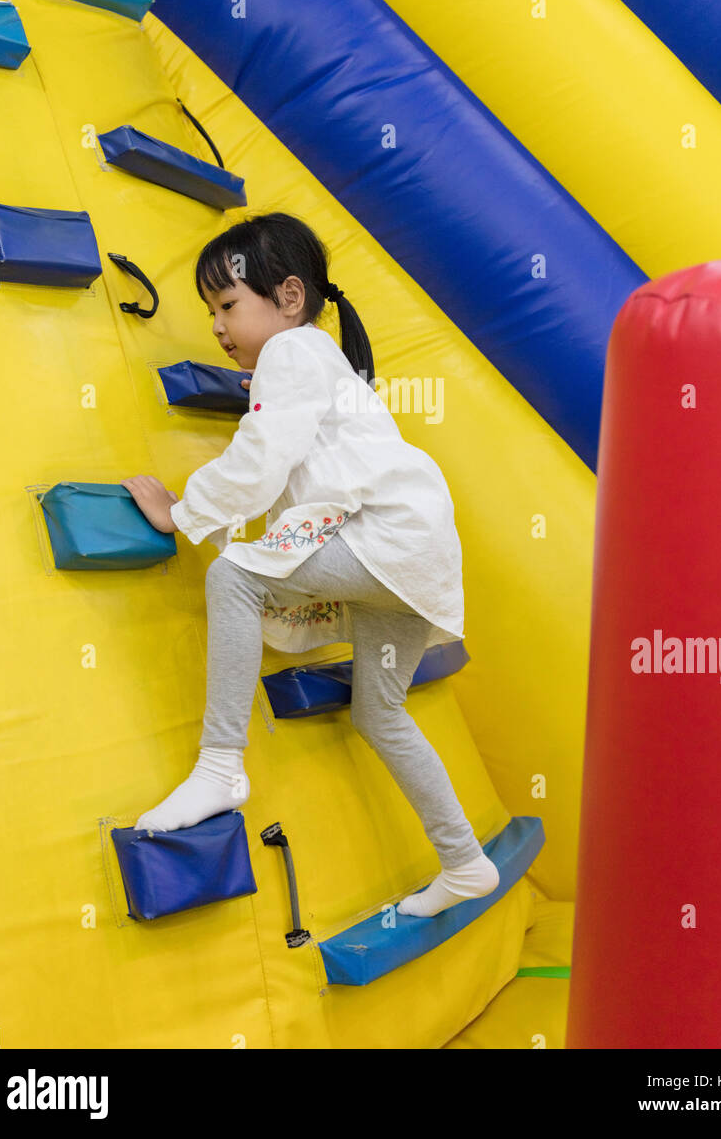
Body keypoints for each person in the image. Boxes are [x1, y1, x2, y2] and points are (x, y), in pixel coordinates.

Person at [120, 211, 498, 917]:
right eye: (211, 312)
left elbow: (263, 456)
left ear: (289, 298)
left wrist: (183, 511)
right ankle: (464, 861)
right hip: (413, 559)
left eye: (227, 305)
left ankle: (219, 765)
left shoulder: (291, 354)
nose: (217, 327)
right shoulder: (326, 364)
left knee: (231, 575)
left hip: (385, 540)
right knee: (381, 714)